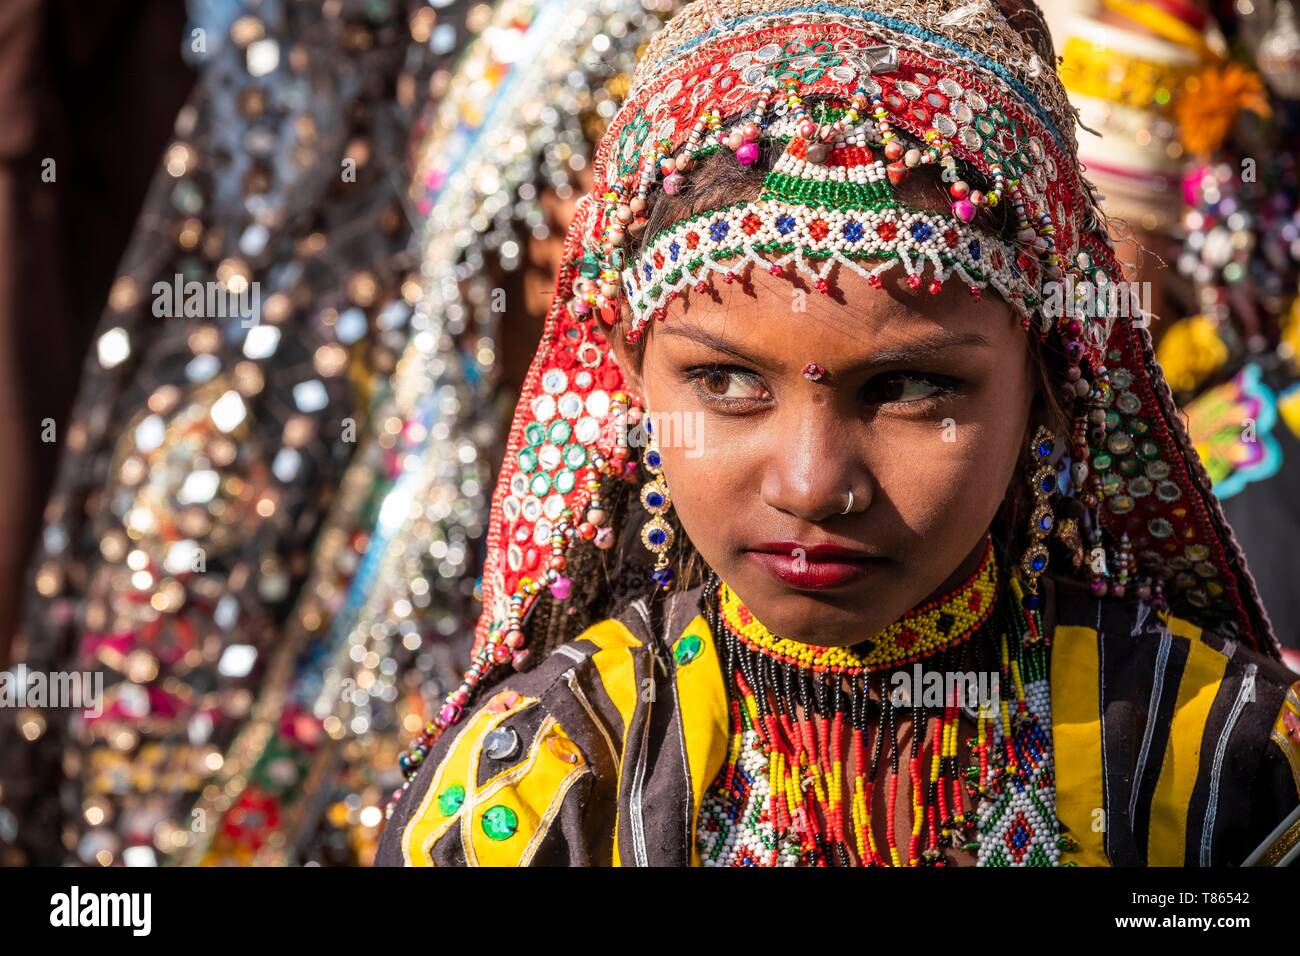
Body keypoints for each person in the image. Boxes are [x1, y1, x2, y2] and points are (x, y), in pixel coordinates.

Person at [375, 0, 1300, 867]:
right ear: (630, 379)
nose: (814, 486)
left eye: (907, 388)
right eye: (727, 382)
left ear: (1051, 384)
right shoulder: (544, 785)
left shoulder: (1224, 766)